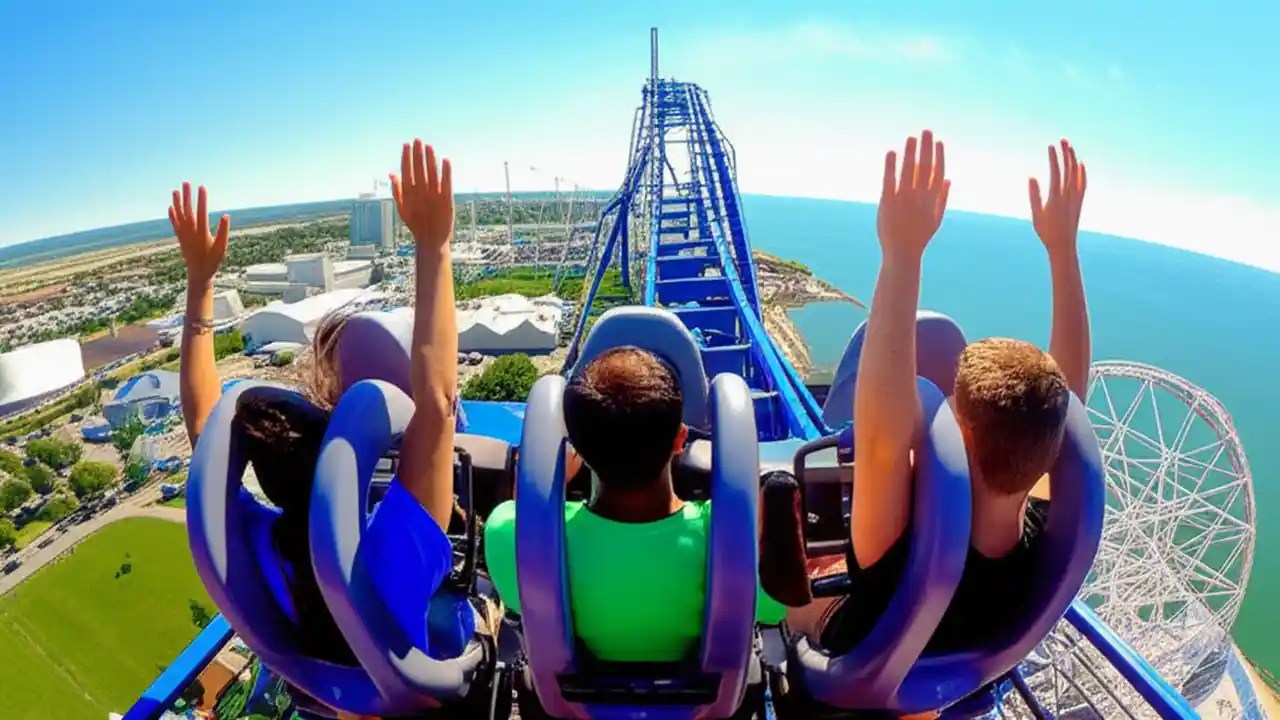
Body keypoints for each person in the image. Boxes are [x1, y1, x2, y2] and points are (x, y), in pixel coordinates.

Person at [172, 138, 484, 718]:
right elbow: (438, 402)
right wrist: (435, 245)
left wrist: (201, 284)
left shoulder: (262, 544)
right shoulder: (390, 551)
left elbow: (205, 430)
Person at [778, 132, 1091, 658]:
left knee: (807, 587)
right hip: (956, 661)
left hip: (863, 667)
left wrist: (901, 253)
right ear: (1049, 449)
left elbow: (880, 438)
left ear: (959, 434)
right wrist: (1063, 251)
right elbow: (1070, 400)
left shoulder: (901, 544)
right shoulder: (1043, 534)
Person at [483, 345, 787, 664]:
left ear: (578, 451)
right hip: (705, 705)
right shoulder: (728, 536)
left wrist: (539, 481)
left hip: (578, 706)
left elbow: (521, 572)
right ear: (680, 439)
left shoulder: (509, 533)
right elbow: (775, 608)